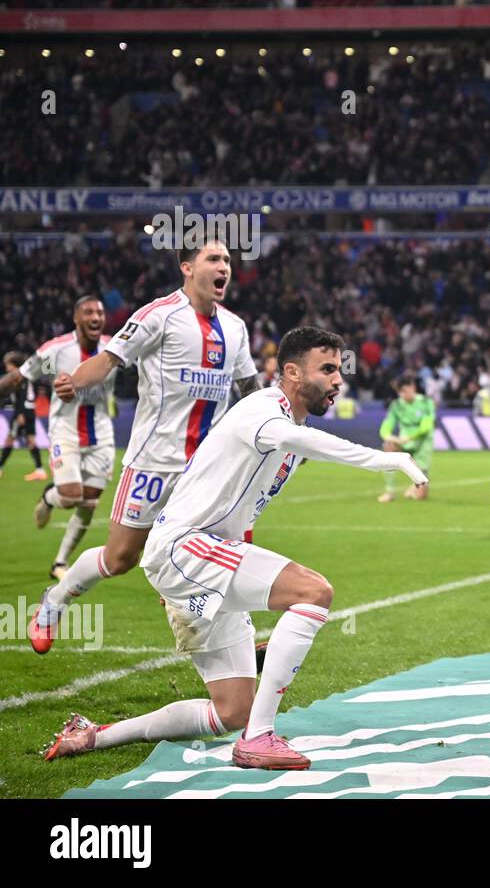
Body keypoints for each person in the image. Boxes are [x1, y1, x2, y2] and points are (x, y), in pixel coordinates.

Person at [42, 327, 427, 769]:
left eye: (339, 369)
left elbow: (247, 497)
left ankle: (93, 736)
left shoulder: (289, 422)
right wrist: (385, 458)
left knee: (231, 710)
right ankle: (259, 738)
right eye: (327, 369)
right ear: (291, 372)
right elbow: (293, 441)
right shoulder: (264, 409)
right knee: (313, 592)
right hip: (185, 547)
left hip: (197, 559)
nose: (338, 379)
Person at [28, 239, 261, 654]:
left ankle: (237, 642)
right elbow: (111, 359)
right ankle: (54, 602)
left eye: (227, 259)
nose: (224, 266)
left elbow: (248, 388)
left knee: (232, 550)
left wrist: (271, 423)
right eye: (213, 259)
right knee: (120, 559)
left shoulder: (236, 328)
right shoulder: (159, 316)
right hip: (153, 465)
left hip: (207, 469)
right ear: (187, 267)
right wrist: (75, 381)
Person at [0, 297, 117, 580]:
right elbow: (20, 376)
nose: (95, 317)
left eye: (100, 312)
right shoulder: (56, 350)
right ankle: (49, 498)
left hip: (101, 432)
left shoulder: (115, 348)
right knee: (70, 496)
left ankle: (59, 562)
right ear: (76, 318)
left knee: (89, 505)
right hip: (65, 429)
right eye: (88, 312)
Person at [378, 374, 435, 502]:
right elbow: (387, 424)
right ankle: (389, 491)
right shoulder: (396, 405)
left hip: (422, 444)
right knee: (388, 446)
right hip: (404, 443)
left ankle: (416, 488)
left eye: (404, 390)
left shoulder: (426, 402)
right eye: (400, 392)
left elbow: (426, 426)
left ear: (413, 387)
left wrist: (408, 438)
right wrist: (389, 436)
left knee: (420, 497)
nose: (402, 394)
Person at [0, 350, 47, 481]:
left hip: (23, 411)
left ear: (14, 365)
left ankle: (0, 468)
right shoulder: (28, 374)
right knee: (30, 440)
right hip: (29, 410)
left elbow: (23, 395)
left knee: (10, 439)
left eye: (8, 364)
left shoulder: (18, 376)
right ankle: (40, 470)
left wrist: (20, 414)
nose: (6, 367)